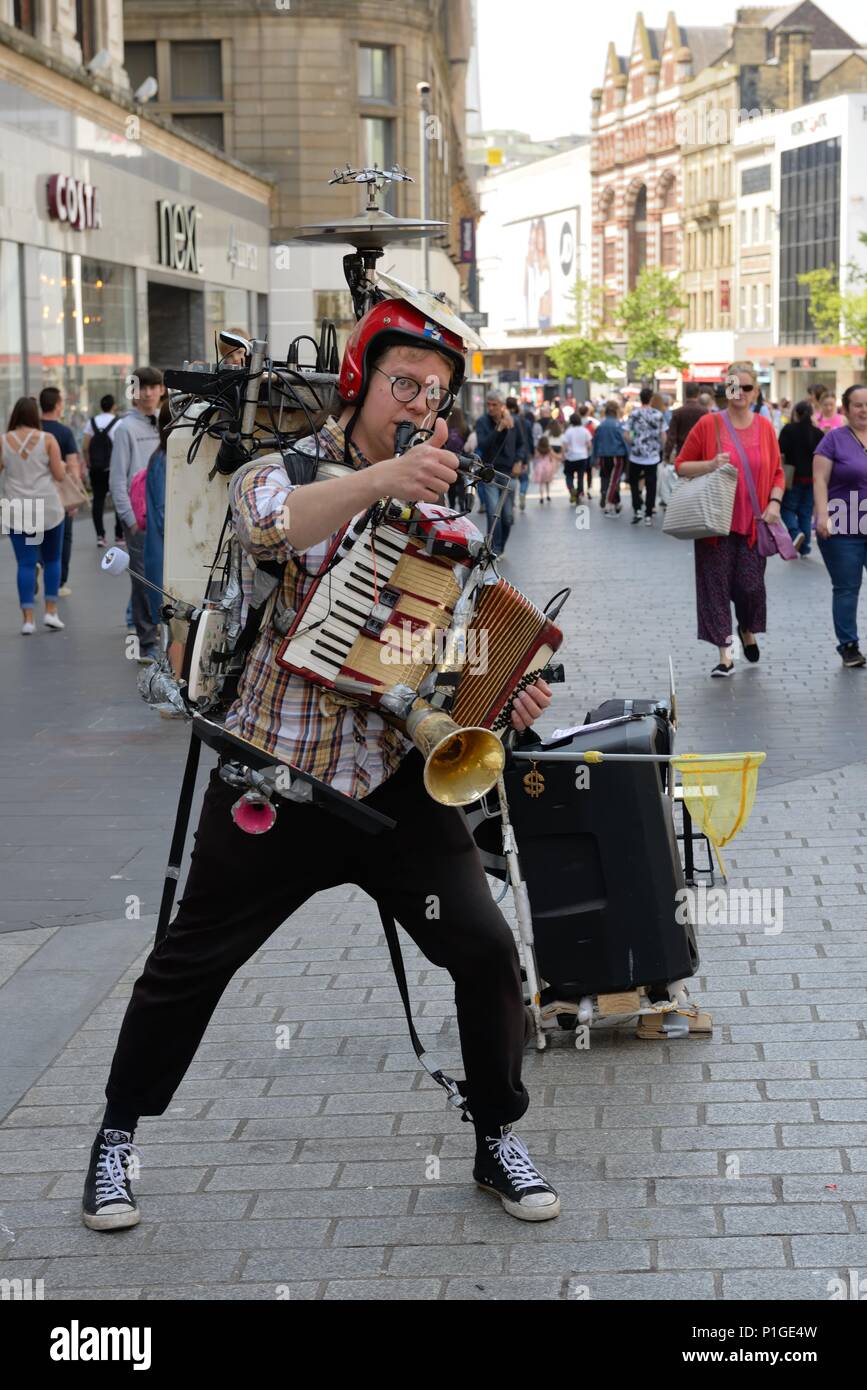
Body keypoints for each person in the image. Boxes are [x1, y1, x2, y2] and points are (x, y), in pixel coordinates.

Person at [80, 295, 560, 1233]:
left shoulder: (447, 512)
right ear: (362, 382)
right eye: (403, 383)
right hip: (277, 778)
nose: (419, 402)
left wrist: (503, 692)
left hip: (390, 783)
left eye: (435, 393)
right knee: (187, 965)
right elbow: (272, 527)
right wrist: (382, 477)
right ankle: (114, 1137)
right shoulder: (286, 467)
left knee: (486, 950)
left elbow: (447, 645)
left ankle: (497, 1134)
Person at [675, 361, 785, 678]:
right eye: (733, 385)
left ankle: (746, 627)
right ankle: (725, 656)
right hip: (714, 525)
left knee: (750, 588)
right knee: (716, 590)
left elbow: (778, 472)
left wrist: (775, 502)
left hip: (753, 525)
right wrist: (710, 464)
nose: (739, 392)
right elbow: (681, 465)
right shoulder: (709, 425)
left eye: (746, 387)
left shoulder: (765, 427)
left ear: (755, 392)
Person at [109, 367, 164, 662]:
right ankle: (146, 641)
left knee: (157, 576)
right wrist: (129, 518)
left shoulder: (167, 423)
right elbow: (117, 479)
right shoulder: (125, 429)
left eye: (153, 387)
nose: (147, 393)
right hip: (139, 518)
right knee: (144, 579)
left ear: (162, 390)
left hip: (165, 513)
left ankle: (159, 635)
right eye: (142, 387)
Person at [1, 396, 67, 634]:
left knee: (26, 564)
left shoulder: (3, 441)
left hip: (17, 509)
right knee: (52, 560)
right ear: (35, 415)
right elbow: (59, 476)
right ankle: (51, 612)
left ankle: (28, 619)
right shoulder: (48, 439)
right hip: (47, 507)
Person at [813, 384, 867, 667]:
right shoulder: (833, 440)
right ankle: (848, 646)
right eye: (858, 405)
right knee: (847, 588)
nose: (864, 410)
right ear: (845, 409)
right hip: (842, 527)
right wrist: (822, 515)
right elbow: (820, 480)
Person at [40, 386, 83, 598]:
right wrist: (74, 494)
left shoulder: (33, 430)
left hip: (35, 493)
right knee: (63, 537)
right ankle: (59, 583)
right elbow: (73, 464)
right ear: (58, 405)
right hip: (59, 496)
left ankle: (38, 564)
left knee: (36, 534)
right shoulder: (64, 432)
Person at [474, 390, 526, 554]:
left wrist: (519, 460)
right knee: (493, 512)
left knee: (508, 516)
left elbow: (522, 444)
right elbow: (483, 445)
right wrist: (498, 429)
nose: (490, 408)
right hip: (491, 472)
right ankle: (493, 548)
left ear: (501, 406)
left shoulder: (515, 421)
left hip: (509, 473)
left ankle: (501, 546)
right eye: (488, 404)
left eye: (494, 405)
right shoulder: (483, 422)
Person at [778, 401, 823, 556]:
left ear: (796, 413)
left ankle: (795, 533)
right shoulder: (817, 433)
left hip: (793, 478)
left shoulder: (789, 430)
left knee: (786, 509)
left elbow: (780, 452)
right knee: (805, 512)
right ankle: (804, 547)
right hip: (812, 479)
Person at [83, 394, 122, 548]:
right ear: (114, 406)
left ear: (101, 406)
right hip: (114, 468)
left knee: (98, 501)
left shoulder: (91, 422)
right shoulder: (119, 423)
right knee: (119, 500)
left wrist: (89, 464)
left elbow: (85, 447)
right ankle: (119, 535)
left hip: (96, 468)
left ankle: (100, 536)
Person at [624, 387, 665, 526]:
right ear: (651, 399)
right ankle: (648, 513)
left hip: (636, 455)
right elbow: (663, 435)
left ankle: (637, 510)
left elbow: (626, 434)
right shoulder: (658, 415)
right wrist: (661, 448)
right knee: (651, 484)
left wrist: (633, 443)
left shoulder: (634, 414)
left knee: (634, 483)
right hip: (652, 455)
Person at [591, 401, 629, 515]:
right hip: (617, 456)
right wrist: (629, 455)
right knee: (614, 480)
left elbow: (595, 443)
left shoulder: (600, 426)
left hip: (603, 455)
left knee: (606, 478)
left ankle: (612, 500)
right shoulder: (619, 425)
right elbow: (624, 441)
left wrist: (594, 458)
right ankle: (609, 502)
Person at [666, 383, 704, 463]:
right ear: (698, 394)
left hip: (682, 452)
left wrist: (667, 454)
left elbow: (671, 436)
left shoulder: (677, 412)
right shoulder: (704, 412)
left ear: (685, 393)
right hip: (699, 454)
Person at [506, 397, 533, 511]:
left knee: (510, 479)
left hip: (509, 454)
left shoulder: (506, 420)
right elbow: (529, 440)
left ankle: (510, 502)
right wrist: (530, 453)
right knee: (524, 478)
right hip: (523, 453)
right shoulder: (525, 422)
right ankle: (522, 493)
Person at [562, 411, 592, 503]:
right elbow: (589, 444)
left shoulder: (568, 431)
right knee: (581, 476)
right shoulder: (585, 430)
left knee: (569, 475)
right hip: (582, 457)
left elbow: (565, 445)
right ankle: (579, 493)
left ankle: (571, 488)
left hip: (570, 457)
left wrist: (564, 455)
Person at [445, 405, 470, 513]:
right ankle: (462, 503)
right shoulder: (465, 428)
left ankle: (451, 506)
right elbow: (468, 446)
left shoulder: (446, 427)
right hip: (462, 461)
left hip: (449, 460)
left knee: (451, 484)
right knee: (461, 484)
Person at [531, 433, 556, 503]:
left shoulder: (538, 449)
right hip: (548, 467)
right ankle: (548, 495)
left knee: (541, 484)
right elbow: (552, 457)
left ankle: (541, 497)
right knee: (547, 482)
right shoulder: (549, 449)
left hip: (540, 467)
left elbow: (535, 457)